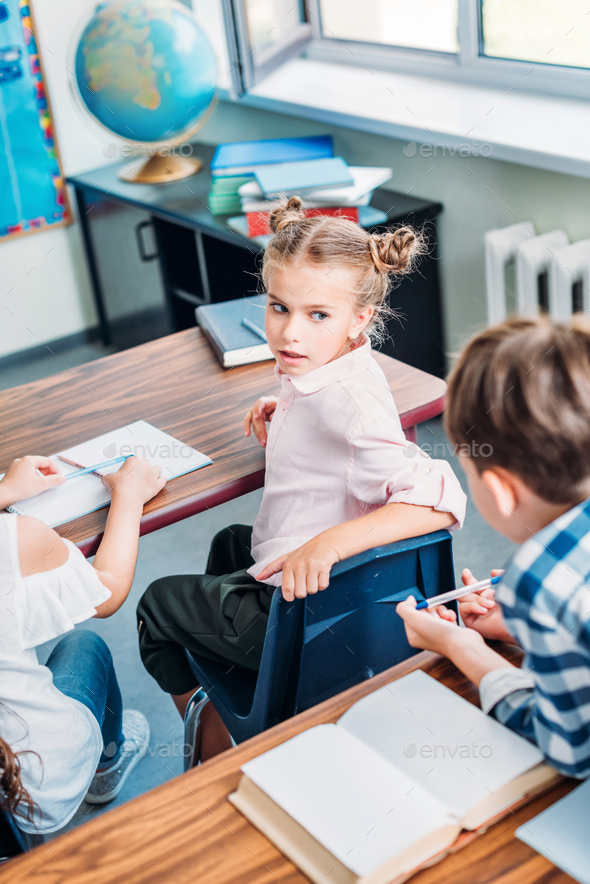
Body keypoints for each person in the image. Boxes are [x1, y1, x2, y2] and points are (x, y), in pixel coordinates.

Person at [137, 197, 467, 758]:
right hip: (305, 577)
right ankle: (245, 702)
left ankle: (211, 751)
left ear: (358, 318)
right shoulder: (325, 362)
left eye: (317, 315)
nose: (290, 333)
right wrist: (282, 409)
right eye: (278, 307)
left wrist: (327, 544)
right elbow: (328, 415)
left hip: (310, 606)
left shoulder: (351, 407)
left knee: (156, 604)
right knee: (228, 544)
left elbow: (441, 499)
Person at [396, 316, 590, 778]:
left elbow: (570, 751)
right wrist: (533, 630)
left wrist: (463, 647)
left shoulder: (540, 581)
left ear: (500, 490)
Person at [0, 454, 166, 838]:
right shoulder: (18, 537)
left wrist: (7, 491)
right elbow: (106, 591)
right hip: (38, 784)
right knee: (85, 645)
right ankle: (105, 770)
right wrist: (129, 495)